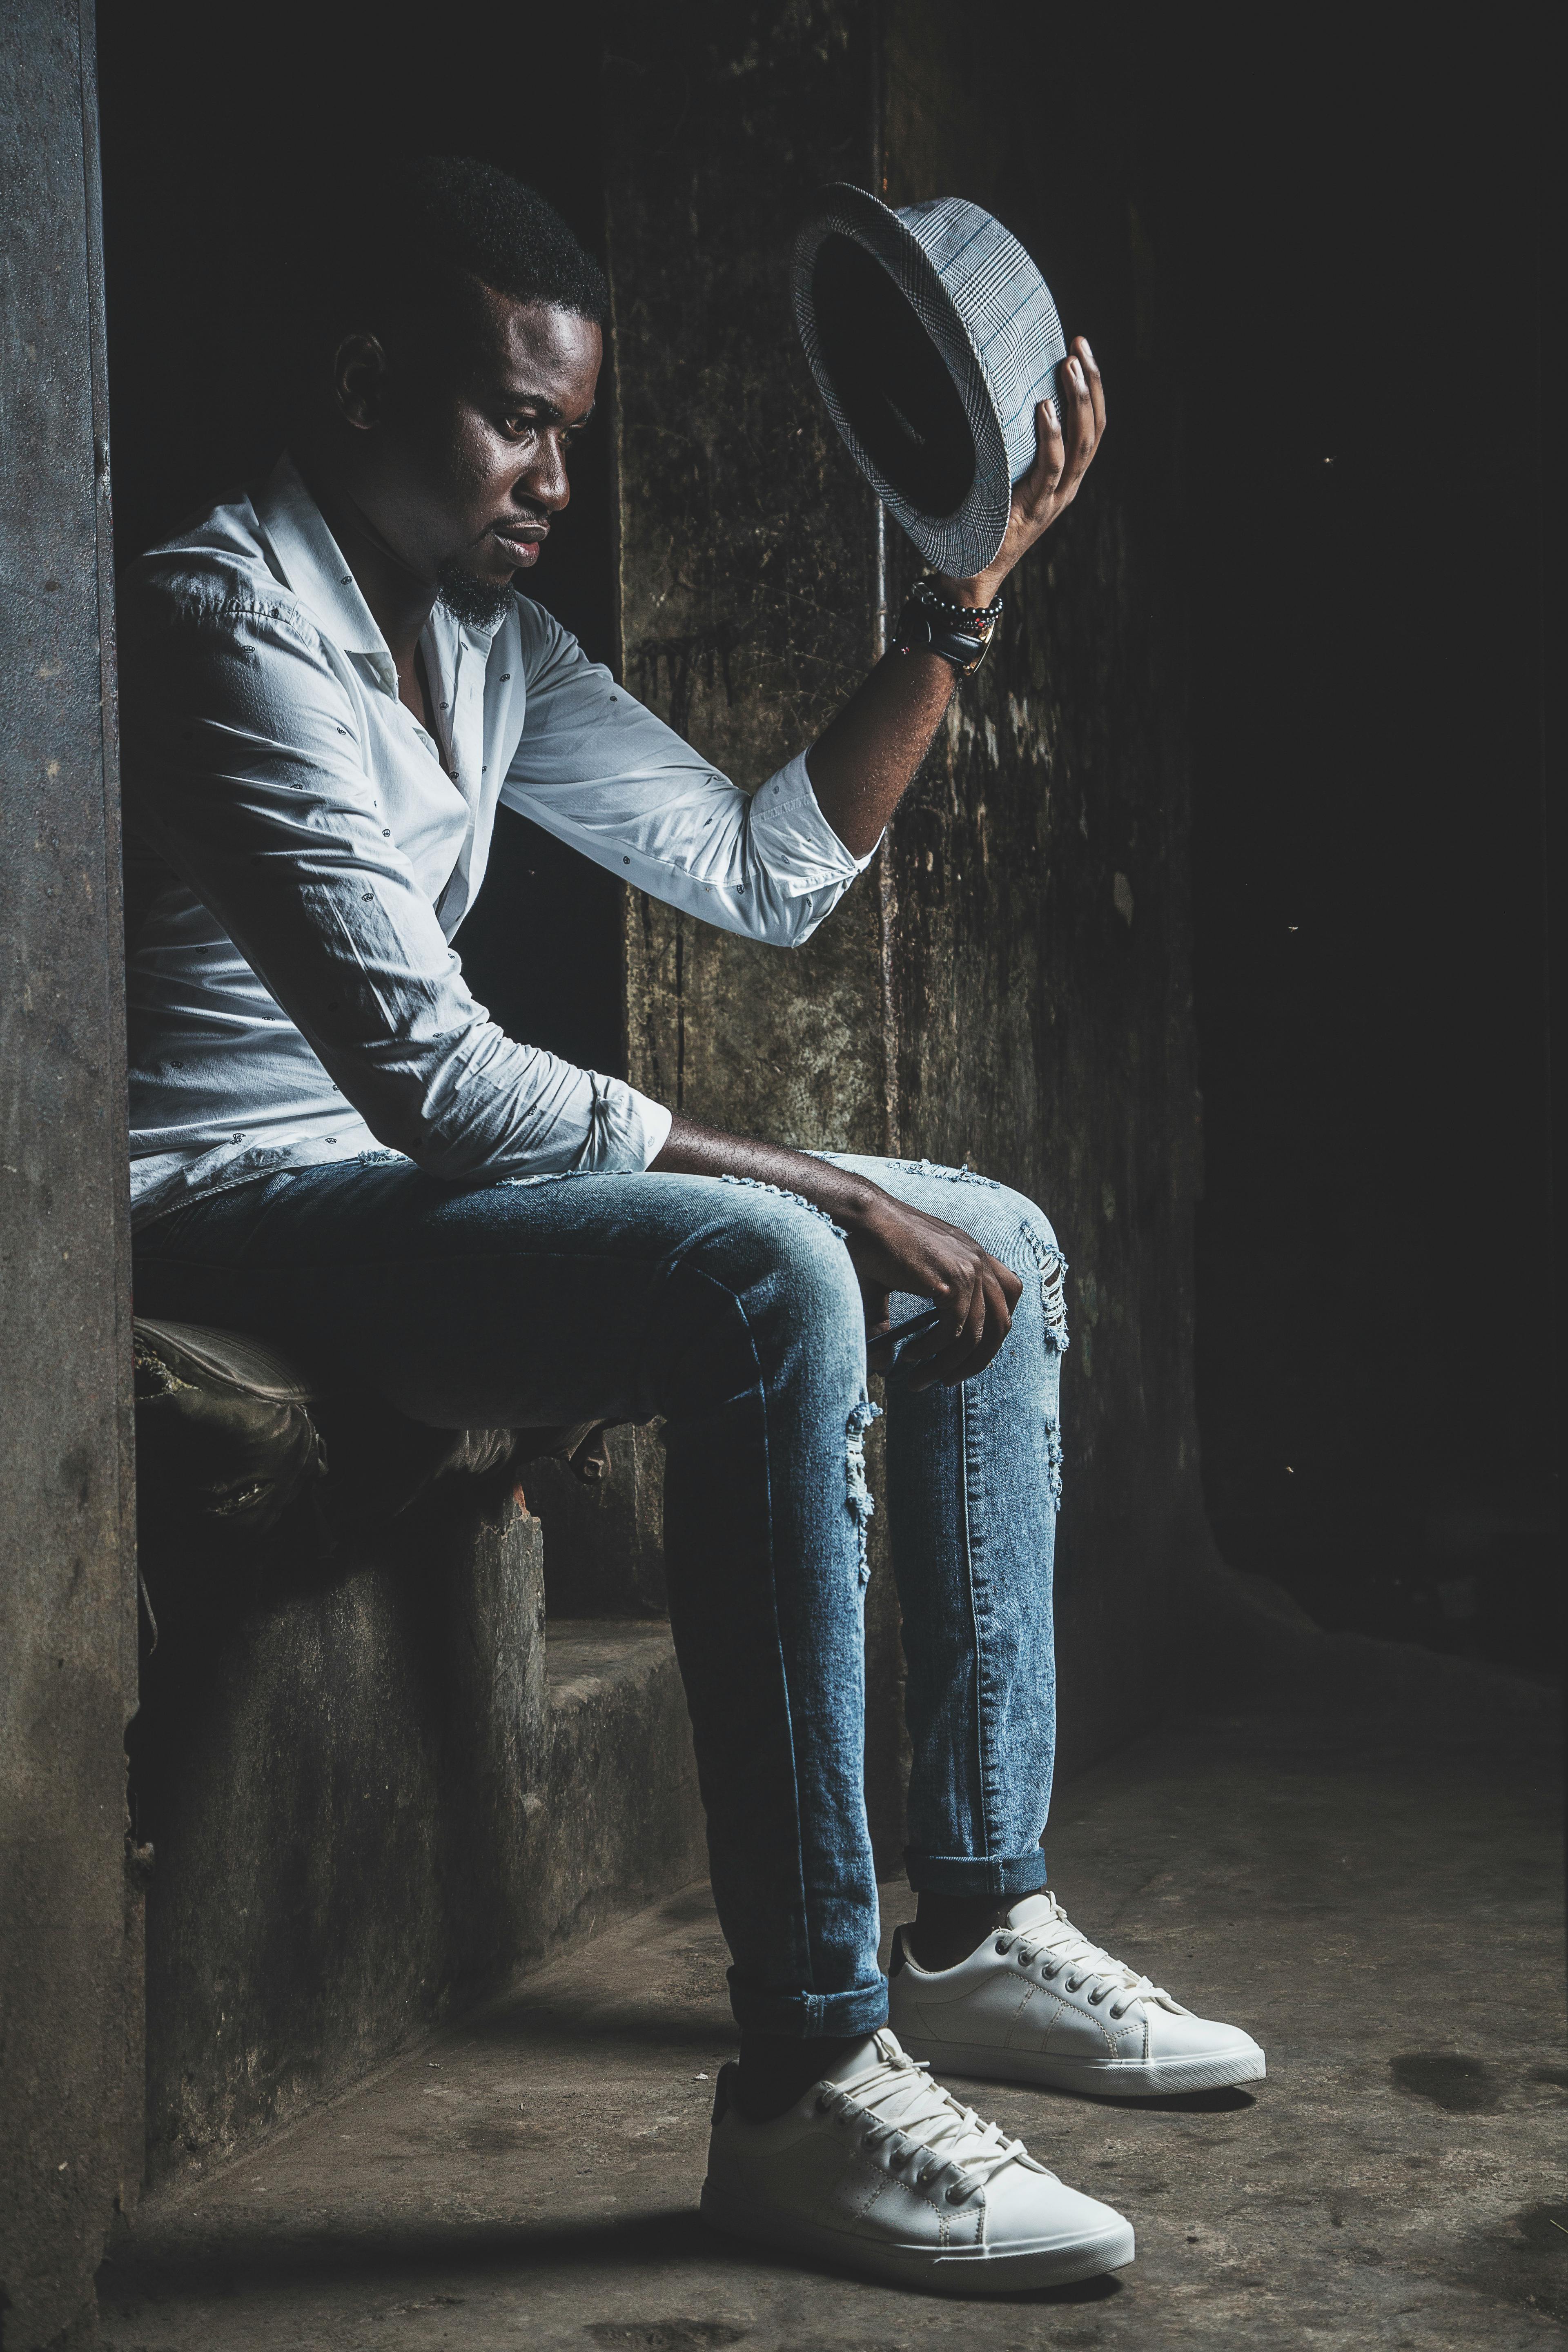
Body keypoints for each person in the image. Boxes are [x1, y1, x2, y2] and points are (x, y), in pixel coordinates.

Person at [120, 157, 1262, 2294]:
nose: (557, 470)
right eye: (512, 418)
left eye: (575, 425)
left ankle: (977, 1917)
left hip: (396, 1197)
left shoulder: (488, 644)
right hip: (235, 1212)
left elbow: (756, 869)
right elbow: (439, 1086)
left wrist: (960, 602)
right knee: (768, 1268)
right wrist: (819, 1183)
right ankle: (810, 2082)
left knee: (992, 1232)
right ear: (365, 382)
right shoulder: (220, 617)